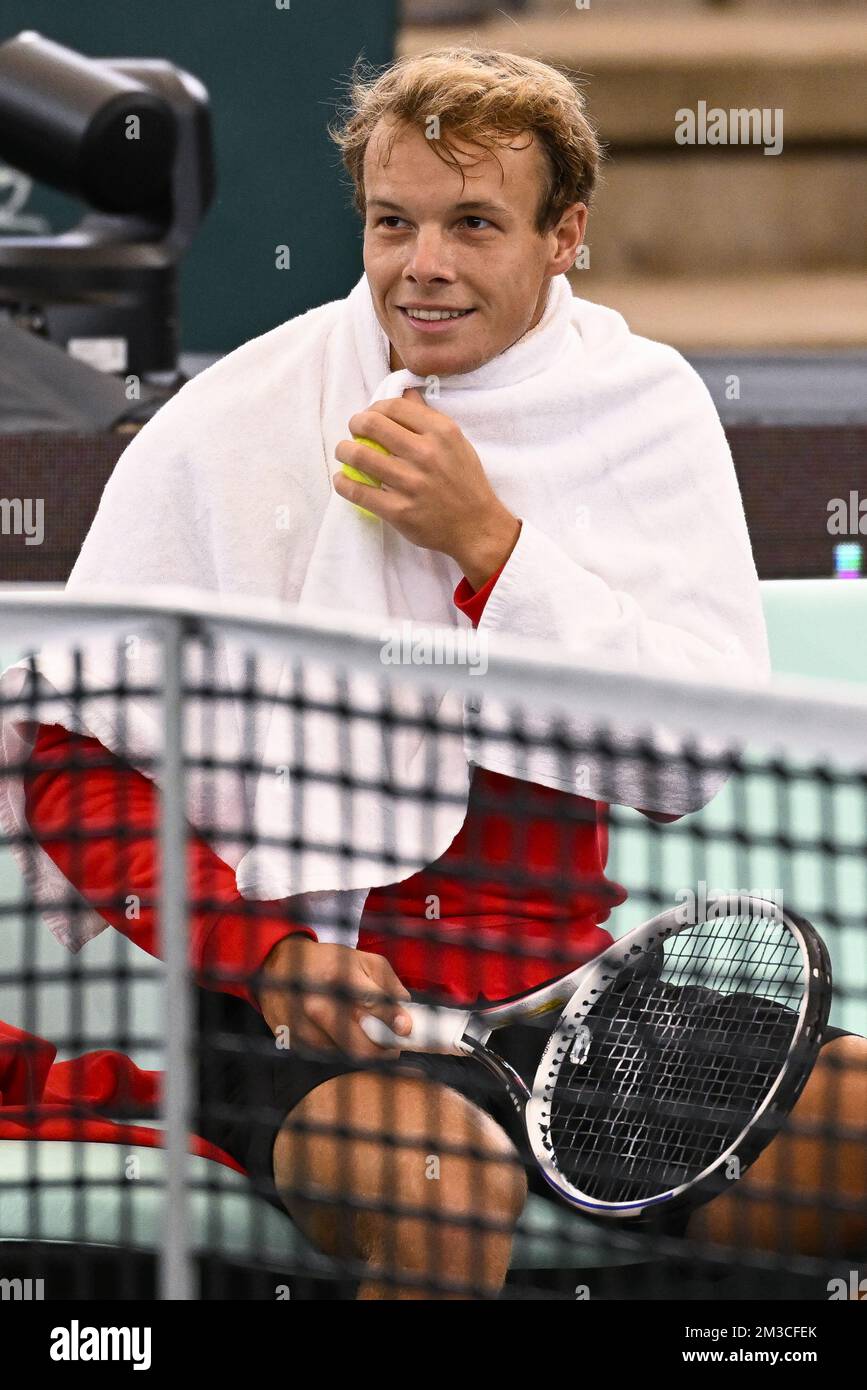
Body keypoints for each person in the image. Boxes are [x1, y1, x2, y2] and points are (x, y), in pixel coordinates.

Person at [15, 47, 867, 1299]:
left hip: (575, 1008)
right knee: (441, 1194)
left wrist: (488, 546)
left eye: (474, 223)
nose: (426, 265)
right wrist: (267, 956)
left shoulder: (651, 413)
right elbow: (67, 756)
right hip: (299, 1023)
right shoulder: (232, 421)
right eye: (392, 222)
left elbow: (686, 757)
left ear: (564, 234)